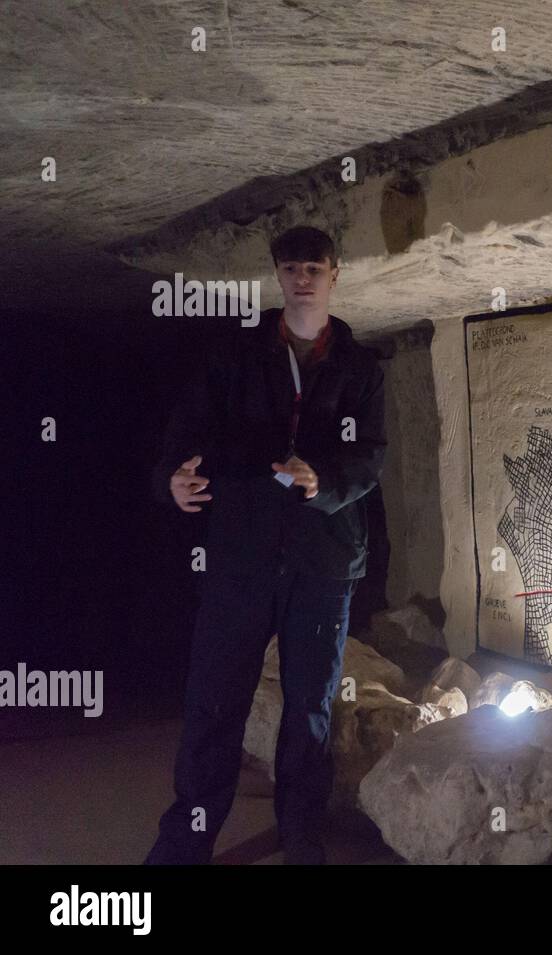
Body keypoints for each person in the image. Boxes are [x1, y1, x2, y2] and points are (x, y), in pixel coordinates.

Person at [145, 226, 386, 865]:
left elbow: (372, 457)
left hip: (323, 560)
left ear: (335, 274)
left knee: (309, 710)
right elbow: (185, 433)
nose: (302, 278)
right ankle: (185, 842)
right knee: (214, 702)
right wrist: (171, 479)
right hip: (242, 555)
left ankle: (301, 839)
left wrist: (324, 481)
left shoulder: (360, 367)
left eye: (314, 267)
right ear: (278, 276)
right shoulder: (236, 358)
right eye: (290, 268)